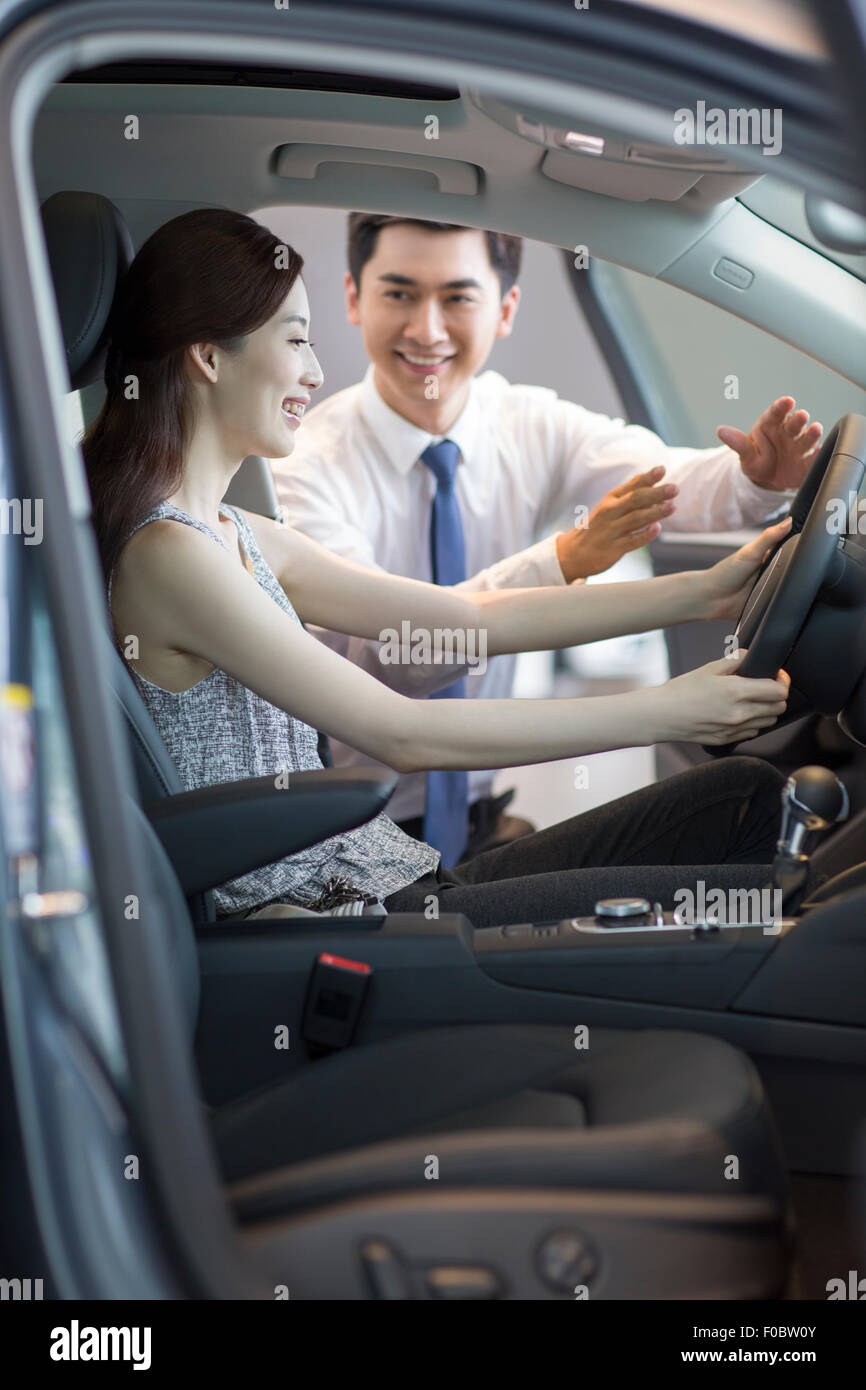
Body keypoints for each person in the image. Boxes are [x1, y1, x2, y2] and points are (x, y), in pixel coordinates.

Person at [86, 207, 792, 929]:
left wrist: (706, 593)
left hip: (382, 882)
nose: (315, 371)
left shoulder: (237, 532)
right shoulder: (171, 555)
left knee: (739, 796)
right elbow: (398, 731)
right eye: (295, 340)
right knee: (739, 854)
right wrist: (666, 709)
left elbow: (466, 620)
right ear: (208, 357)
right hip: (333, 924)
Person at [272, 214, 822, 863]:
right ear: (354, 299)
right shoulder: (304, 468)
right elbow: (397, 656)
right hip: (341, 833)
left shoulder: (527, 424)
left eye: (456, 297)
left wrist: (756, 479)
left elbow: (663, 478)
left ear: (504, 309)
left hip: (477, 819)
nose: (426, 328)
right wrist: (562, 561)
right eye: (399, 294)